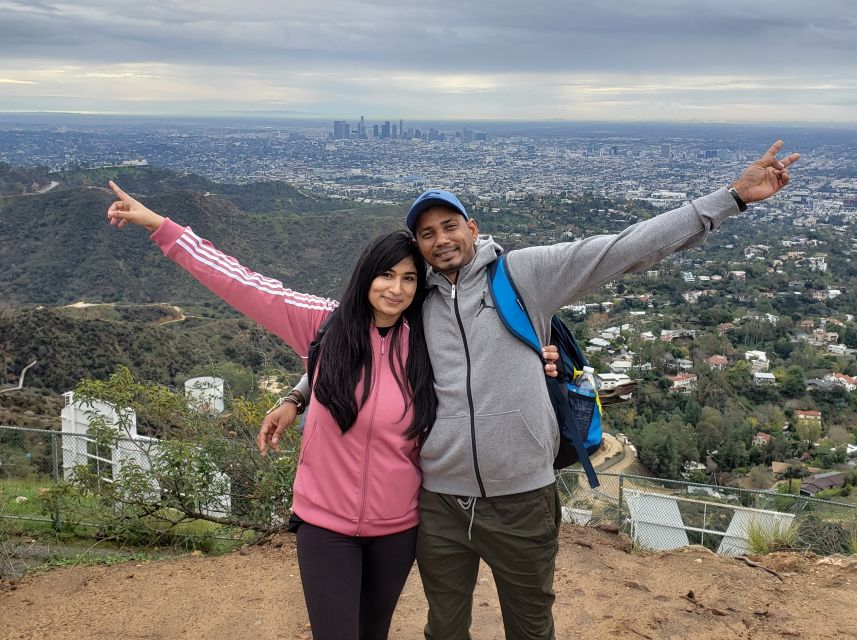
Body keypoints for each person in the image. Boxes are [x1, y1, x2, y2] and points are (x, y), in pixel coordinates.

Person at [266, 139, 801, 640]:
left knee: (529, 625)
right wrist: (298, 395)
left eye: (449, 226)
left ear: (472, 228)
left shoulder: (523, 275)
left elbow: (622, 249)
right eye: (426, 234)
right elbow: (358, 352)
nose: (440, 240)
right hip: (439, 500)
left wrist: (730, 199)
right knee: (444, 629)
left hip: (522, 493)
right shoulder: (414, 299)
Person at [104, 181, 435, 640]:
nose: (396, 289)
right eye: (386, 275)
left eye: (409, 278)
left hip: (397, 528)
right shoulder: (324, 325)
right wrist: (161, 227)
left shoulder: (429, 344)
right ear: (366, 276)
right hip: (325, 525)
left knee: (373, 633)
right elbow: (244, 284)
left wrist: (549, 363)